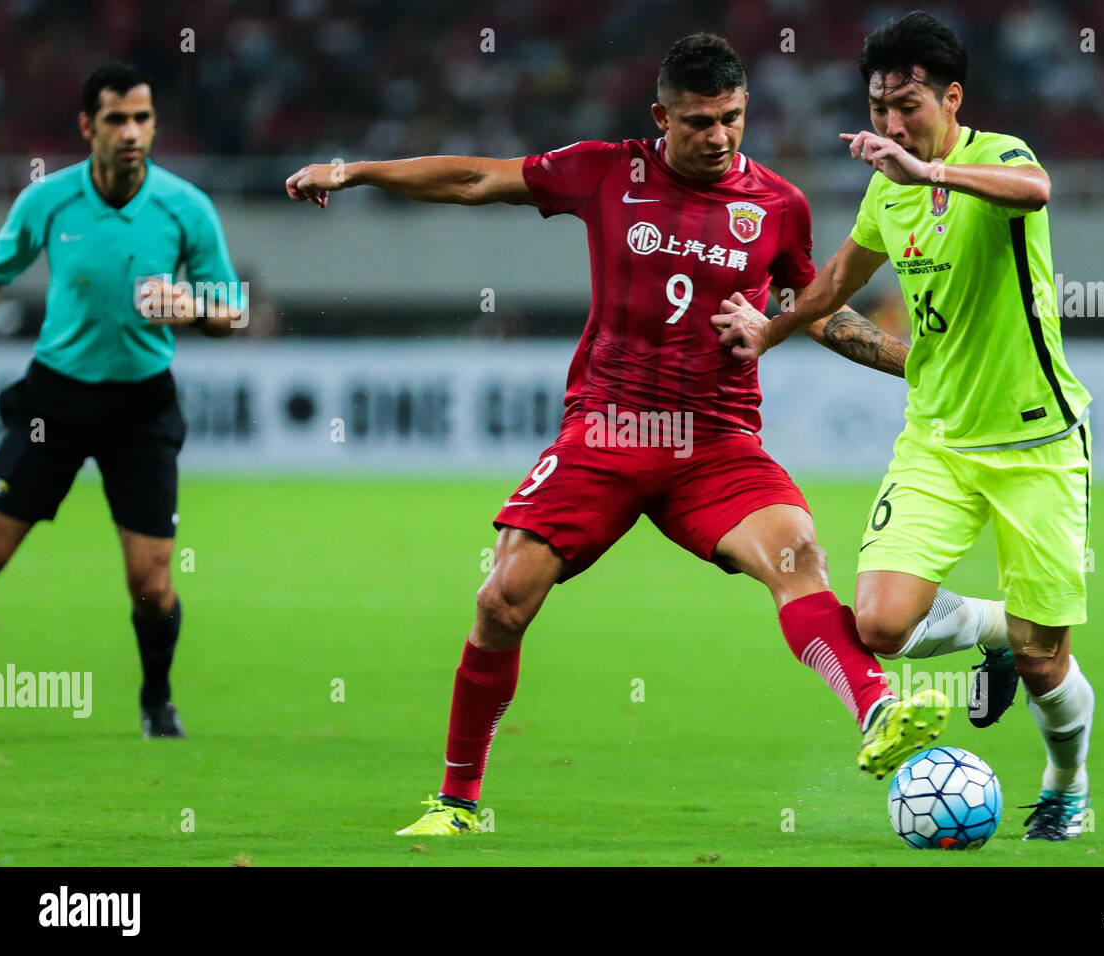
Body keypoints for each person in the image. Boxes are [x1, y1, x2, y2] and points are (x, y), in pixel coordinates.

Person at [287, 33, 951, 837]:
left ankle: (877, 707)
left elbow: (814, 309)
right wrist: (352, 171)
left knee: (798, 556)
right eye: (700, 121)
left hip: (716, 441)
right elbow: (475, 178)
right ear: (661, 117)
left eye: (733, 119)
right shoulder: (607, 170)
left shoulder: (778, 204)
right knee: (501, 601)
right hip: (609, 429)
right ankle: (457, 801)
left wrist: (917, 364)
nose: (719, 137)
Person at [714, 11, 1094, 841]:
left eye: (909, 103)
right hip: (937, 441)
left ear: (951, 97)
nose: (891, 122)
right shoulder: (888, 188)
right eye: (880, 105)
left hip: (1037, 443)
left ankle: (1067, 783)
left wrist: (930, 171)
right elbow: (831, 284)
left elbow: (1039, 192)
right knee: (880, 623)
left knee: (1044, 662)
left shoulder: (997, 157)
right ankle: (992, 629)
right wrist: (767, 333)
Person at [0, 64, 246, 738]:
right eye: (116, 120)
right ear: (87, 127)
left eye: (143, 118)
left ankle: (156, 700)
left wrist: (190, 305)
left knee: (151, 584)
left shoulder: (186, 206)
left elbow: (235, 310)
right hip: (54, 400)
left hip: (141, 409)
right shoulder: (48, 201)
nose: (132, 132)